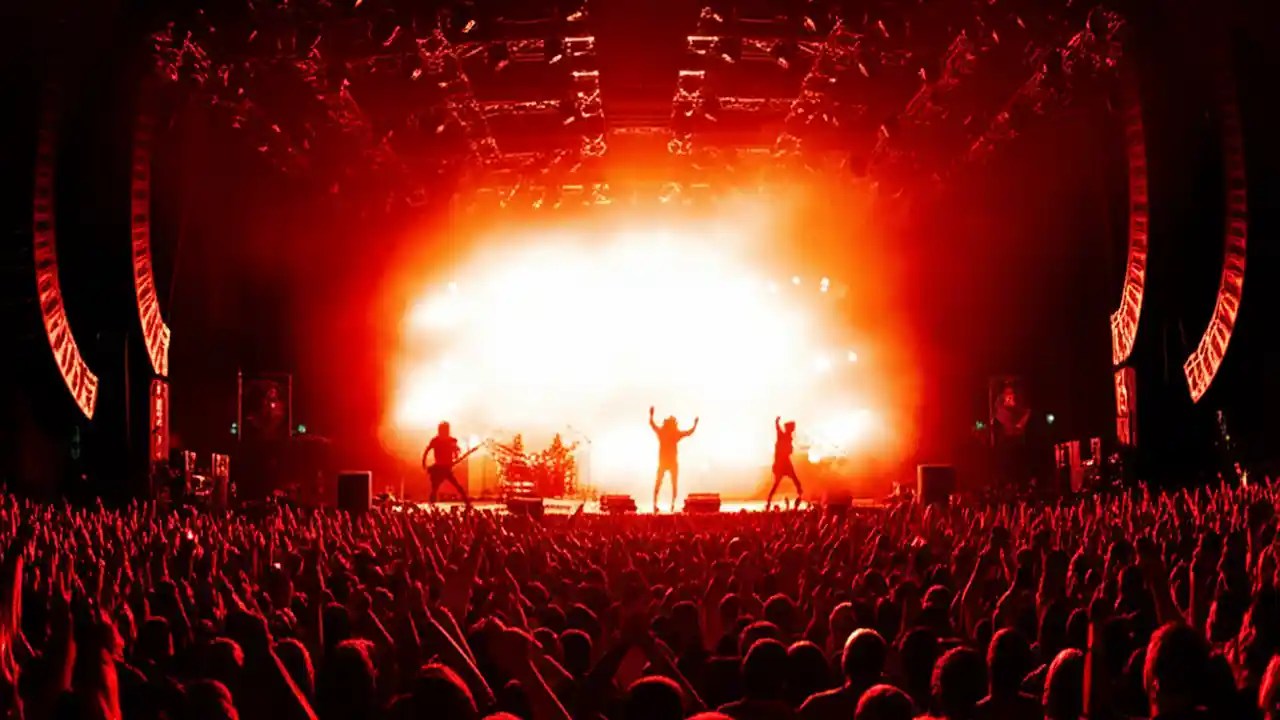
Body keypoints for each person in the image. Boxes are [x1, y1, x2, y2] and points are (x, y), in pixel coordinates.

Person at [649, 406, 698, 513]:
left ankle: (658, 504)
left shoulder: (663, 432)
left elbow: (652, 425)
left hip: (665, 462)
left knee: (660, 483)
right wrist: (695, 424)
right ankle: (669, 504)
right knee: (672, 484)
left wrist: (651, 415)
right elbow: (689, 432)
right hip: (670, 462)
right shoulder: (674, 434)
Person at [423, 421, 471, 506]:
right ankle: (431, 503)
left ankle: (467, 502)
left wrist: (455, 456)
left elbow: (455, 451)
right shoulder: (436, 440)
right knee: (435, 487)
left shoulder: (451, 440)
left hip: (446, 468)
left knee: (454, 486)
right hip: (438, 468)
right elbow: (427, 450)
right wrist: (424, 462)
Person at [767, 418, 802, 510]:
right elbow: (778, 430)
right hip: (781, 463)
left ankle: (800, 497)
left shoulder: (788, 437)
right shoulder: (783, 435)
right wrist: (777, 422)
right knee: (779, 482)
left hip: (785, 462)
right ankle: (769, 501)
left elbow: (789, 449)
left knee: (795, 481)